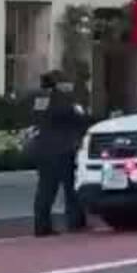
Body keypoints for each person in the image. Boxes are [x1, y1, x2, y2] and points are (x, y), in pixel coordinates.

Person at [29, 70, 91, 237]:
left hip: (42, 148)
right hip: (63, 149)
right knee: (71, 188)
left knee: (45, 189)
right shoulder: (63, 99)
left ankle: (41, 225)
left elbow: (34, 118)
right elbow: (79, 119)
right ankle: (75, 221)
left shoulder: (38, 99)